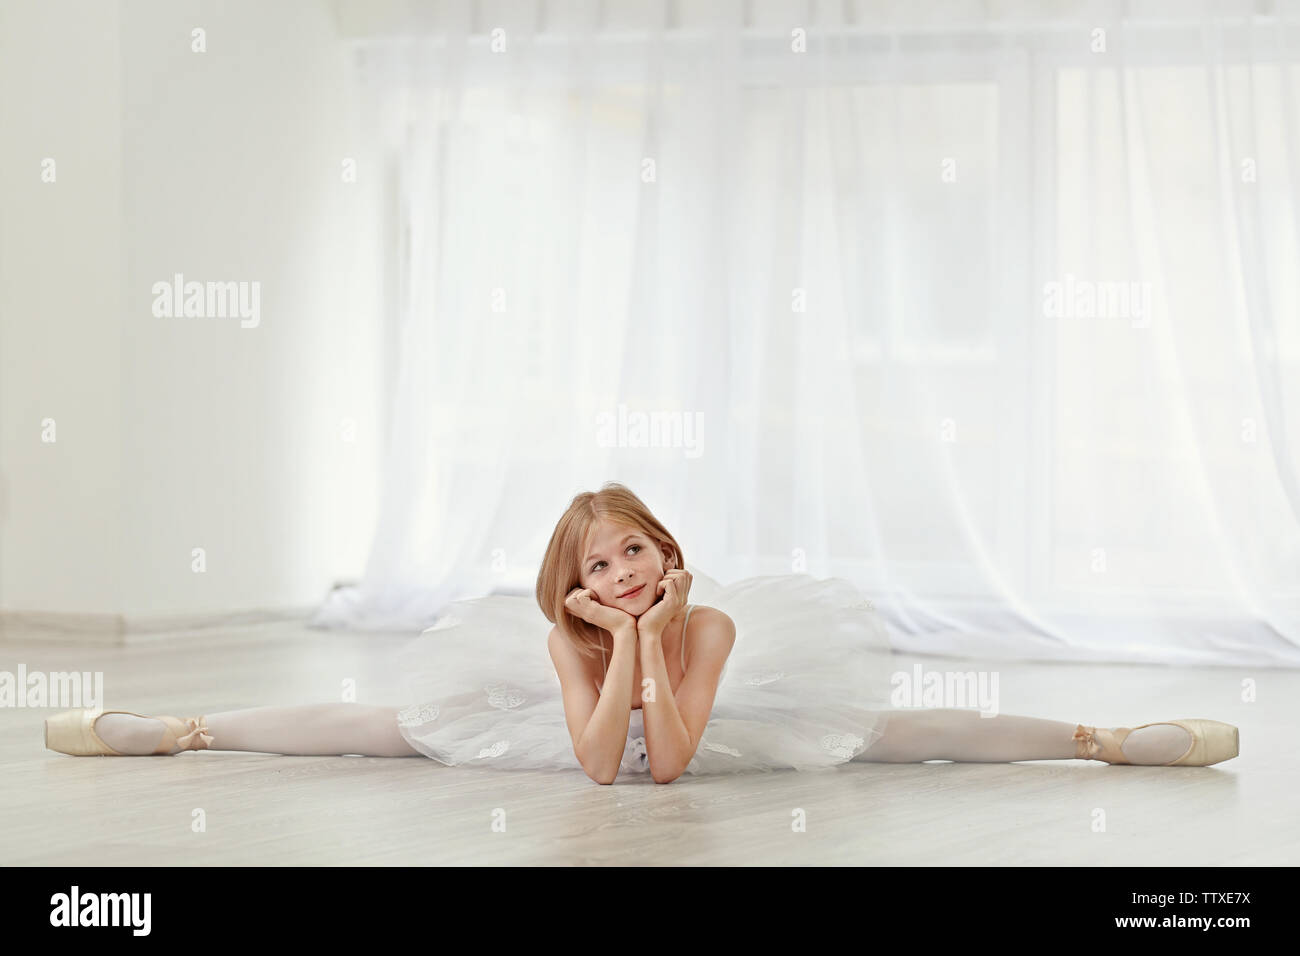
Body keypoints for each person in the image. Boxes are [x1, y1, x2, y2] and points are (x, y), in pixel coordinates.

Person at [45, 482, 1239, 784]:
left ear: (666, 552)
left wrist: (659, 643)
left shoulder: (709, 621)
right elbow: (599, 766)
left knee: (900, 727)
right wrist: (613, 646)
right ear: (571, 586)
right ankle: (184, 730)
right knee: (384, 726)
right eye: (594, 566)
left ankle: (1101, 736)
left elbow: (666, 766)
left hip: (702, 715)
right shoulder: (573, 636)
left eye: (632, 552)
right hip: (583, 713)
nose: (617, 573)